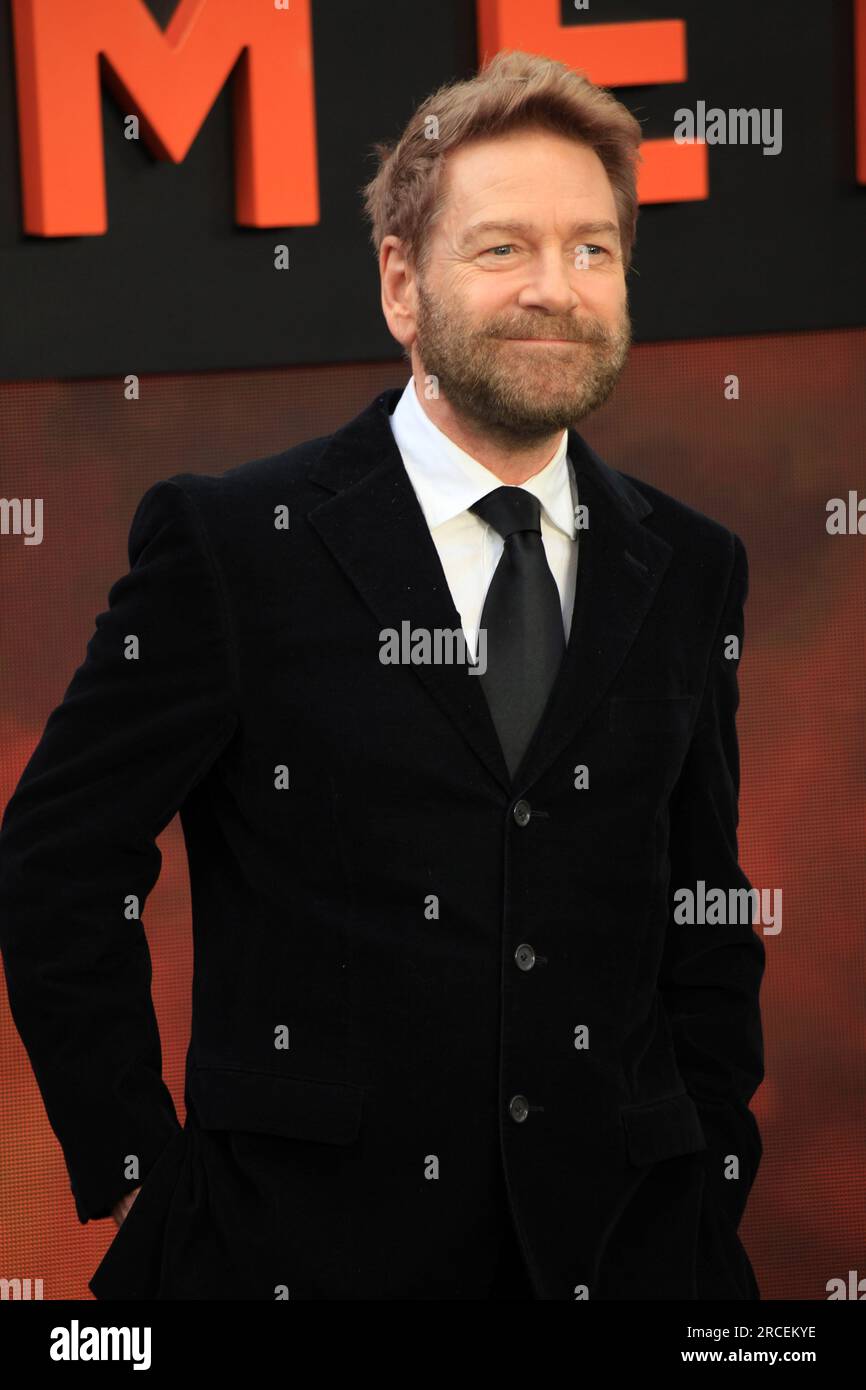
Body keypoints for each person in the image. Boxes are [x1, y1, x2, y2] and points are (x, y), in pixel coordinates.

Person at [0, 49, 764, 1300]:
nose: (554, 290)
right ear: (401, 284)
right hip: (290, 1258)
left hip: (629, 1258)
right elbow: (57, 863)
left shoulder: (687, 566)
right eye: (501, 248)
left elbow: (704, 908)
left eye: (591, 250)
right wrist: (142, 1167)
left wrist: (709, 1177)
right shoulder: (234, 544)